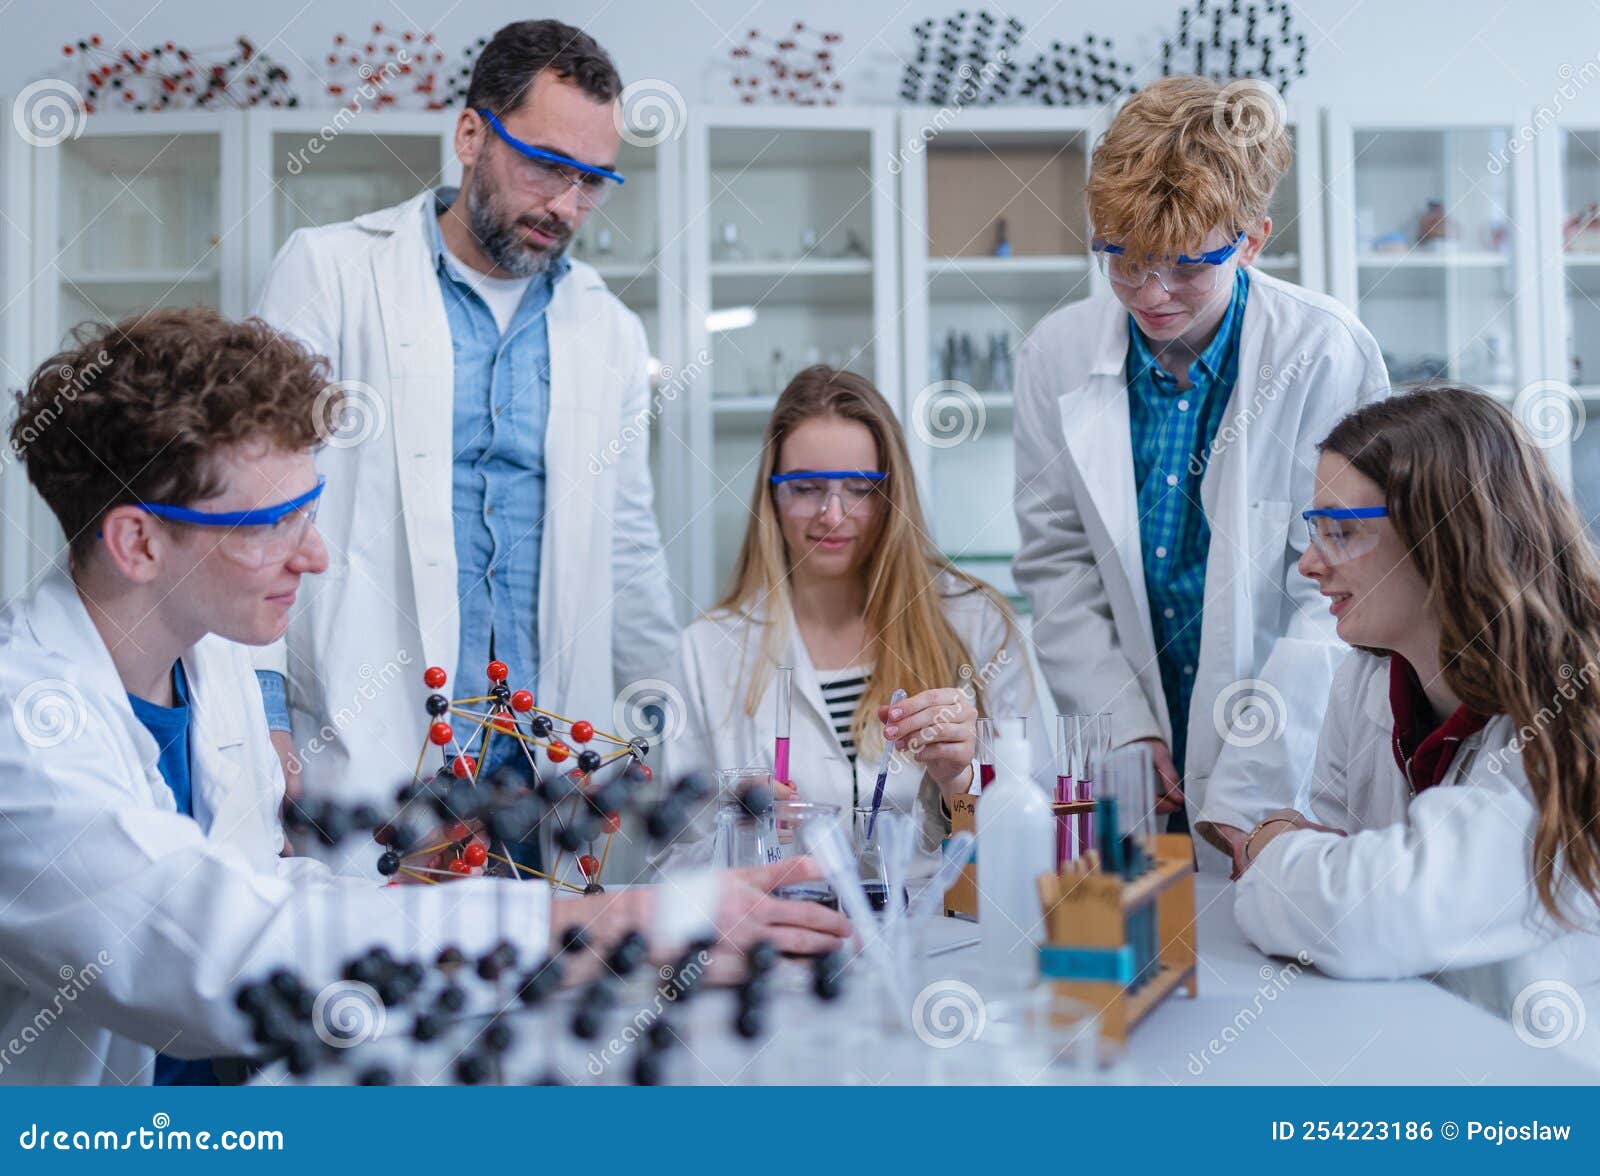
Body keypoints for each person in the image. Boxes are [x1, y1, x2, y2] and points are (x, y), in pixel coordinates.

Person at [0, 310, 849, 1085]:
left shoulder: (210, 663)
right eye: (271, 525)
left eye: (309, 512)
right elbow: (221, 951)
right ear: (138, 543)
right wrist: (634, 921)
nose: (315, 556)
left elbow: (267, 887)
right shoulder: (25, 737)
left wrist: (417, 901)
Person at [251, 20, 677, 853]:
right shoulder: (331, 273)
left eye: (594, 181)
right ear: (472, 135)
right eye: (547, 165)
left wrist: (666, 728)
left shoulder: (611, 330)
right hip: (367, 741)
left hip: (542, 773)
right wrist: (261, 715)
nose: (567, 206)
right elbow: (252, 507)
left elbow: (628, 547)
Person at [1011, 75, 1389, 871]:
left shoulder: (1323, 351)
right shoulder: (1057, 353)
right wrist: (1120, 724)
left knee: (1275, 927)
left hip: (1289, 752)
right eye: (1124, 259)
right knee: (1138, 933)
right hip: (1137, 750)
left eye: (1186, 266)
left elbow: (1342, 587)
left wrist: (1253, 774)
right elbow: (1058, 562)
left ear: (1251, 240)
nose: (1151, 294)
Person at [1230, 386, 1600, 1065]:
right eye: (1314, 529)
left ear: (1447, 537)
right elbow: (1338, 871)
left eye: (1342, 531)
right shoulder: (1369, 679)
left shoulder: (1571, 714)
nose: (1309, 564)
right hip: (1419, 1049)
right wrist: (1313, 868)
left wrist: (1269, 845)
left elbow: (1365, 913)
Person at [658, 367, 1049, 874]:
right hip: (783, 923)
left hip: (939, 924)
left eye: (861, 488)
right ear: (772, 497)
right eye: (806, 487)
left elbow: (1045, 835)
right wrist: (739, 837)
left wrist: (961, 783)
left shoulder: (976, 623)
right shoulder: (707, 649)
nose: (832, 514)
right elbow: (671, 863)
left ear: (892, 496)